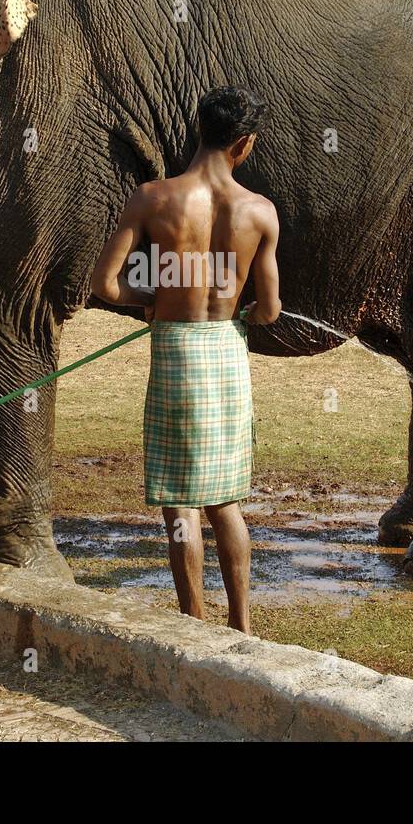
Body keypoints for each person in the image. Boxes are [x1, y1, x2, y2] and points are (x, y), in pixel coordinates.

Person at [91, 86, 281, 633]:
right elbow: (268, 311)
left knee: (180, 502)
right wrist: (244, 309)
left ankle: (193, 621)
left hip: (175, 347)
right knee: (224, 499)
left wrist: (152, 299)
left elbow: (104, 283)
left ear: (200, 131)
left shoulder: (152, 197)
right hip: (224, 348)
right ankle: (242, 624)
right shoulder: (259, 212)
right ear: (243, 144)